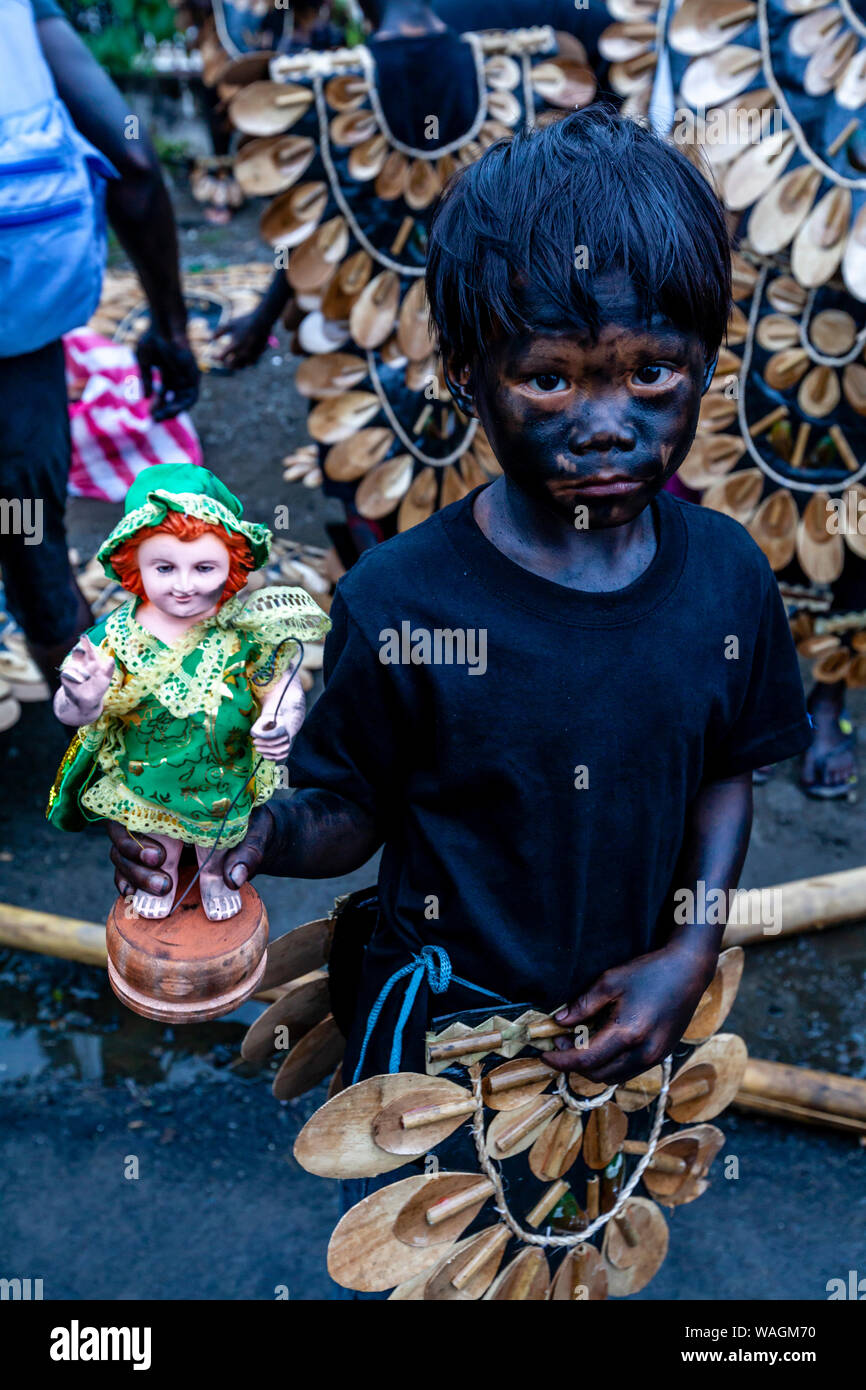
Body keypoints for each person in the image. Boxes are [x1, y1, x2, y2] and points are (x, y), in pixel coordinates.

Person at [109, 109, 812, 1096]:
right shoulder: (400, 603)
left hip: (638, 1012)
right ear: (464, 375)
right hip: (440, 1046)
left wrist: (690, 948)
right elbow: (351, 808)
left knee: (598, 1229)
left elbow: (726, 776)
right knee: (438, 1242)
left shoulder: (728, 579)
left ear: (704, 359)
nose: (606, 427)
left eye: (649, 371)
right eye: (548, 379)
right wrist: (252, 833)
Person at [614, 0, 866, 797]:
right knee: (738, 507)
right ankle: (743, 708)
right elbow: (672, 152)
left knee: (853, 514)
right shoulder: (723, 16)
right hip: (756, 297)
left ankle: (827, 703)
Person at [0, 0, 199, 691]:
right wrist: (171, 328)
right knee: (35, 559)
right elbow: (132, 157)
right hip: (14, 352)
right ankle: (110, 773)